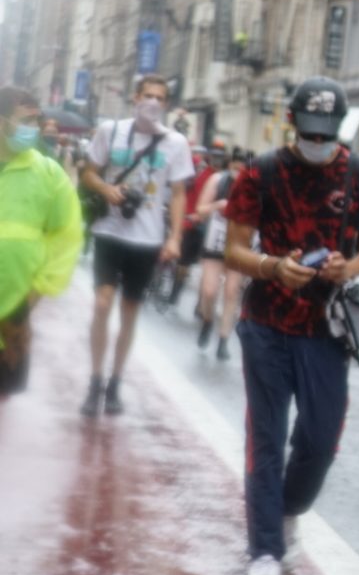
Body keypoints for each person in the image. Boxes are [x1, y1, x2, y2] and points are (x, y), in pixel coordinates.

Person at [222, 77, 359, 575]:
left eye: (328, 132)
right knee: (265, 438)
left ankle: (287, 512)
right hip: (266, 324)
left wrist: (346, 267)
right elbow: (233, 249)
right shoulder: (260, 172)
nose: (319, 141)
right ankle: (264, 553)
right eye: (310, 130)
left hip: (327, 331)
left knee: (319, 441)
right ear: (292, 122)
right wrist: (272, 266)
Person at [79, 73, 195, 416]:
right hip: (109, 231)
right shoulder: (111, 131)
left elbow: (177, 193)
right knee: (102, 304)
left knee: (129, 313)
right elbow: (89, 172)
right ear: (135, 98)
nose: (153, 103)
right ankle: (95, 379)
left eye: (160, 98)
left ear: (167, 105)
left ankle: (115, 381)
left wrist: (174, 237)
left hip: (146, 238)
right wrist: (106, 190)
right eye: (148, 96)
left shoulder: (175, 143)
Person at [0, 86, 84, 395]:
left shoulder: (48, 173)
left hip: (16, 314)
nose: (32, 129)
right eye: (25, 120)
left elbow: (67, 235)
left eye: (36, 121)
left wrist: (35, 293)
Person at [194, 148, 247, 359]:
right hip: (215, 243)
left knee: (232, 291)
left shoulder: (255, 187)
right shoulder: (218, 180)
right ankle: (207, 320)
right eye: (236, 165)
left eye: (244, 166)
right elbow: (200, 210)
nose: (239, 170)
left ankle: (223, 340)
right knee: (209, 291)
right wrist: (218, 205)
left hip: (240, 246)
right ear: (230, 164)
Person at [175, 141, 227, 307]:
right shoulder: (199, 172)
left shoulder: (226, 179)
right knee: (184, 262)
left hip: (213, 226)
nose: (216, 160)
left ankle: (201, 304)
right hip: (192, 221)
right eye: (214, 155)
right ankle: (174, 294)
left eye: (220, 156)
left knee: (207, 268)